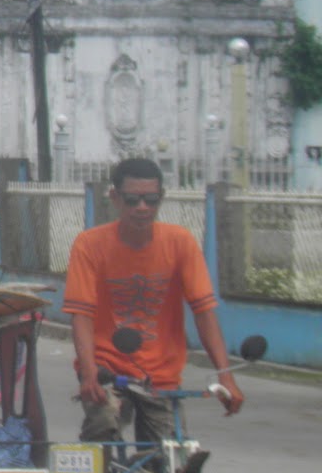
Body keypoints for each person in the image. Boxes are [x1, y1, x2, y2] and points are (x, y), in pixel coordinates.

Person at [64, 156, 244, 441]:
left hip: (161, 375)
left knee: (171, 460)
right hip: (106, 369)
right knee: (102, 428)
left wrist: (225, 374)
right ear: (115, 198)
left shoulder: (180, 243)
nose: (142, 208)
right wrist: (88, 373)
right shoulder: (89, 245)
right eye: (132, 200)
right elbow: (81, 314)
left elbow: (204, 311)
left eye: (151, 199)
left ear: (161, 198)